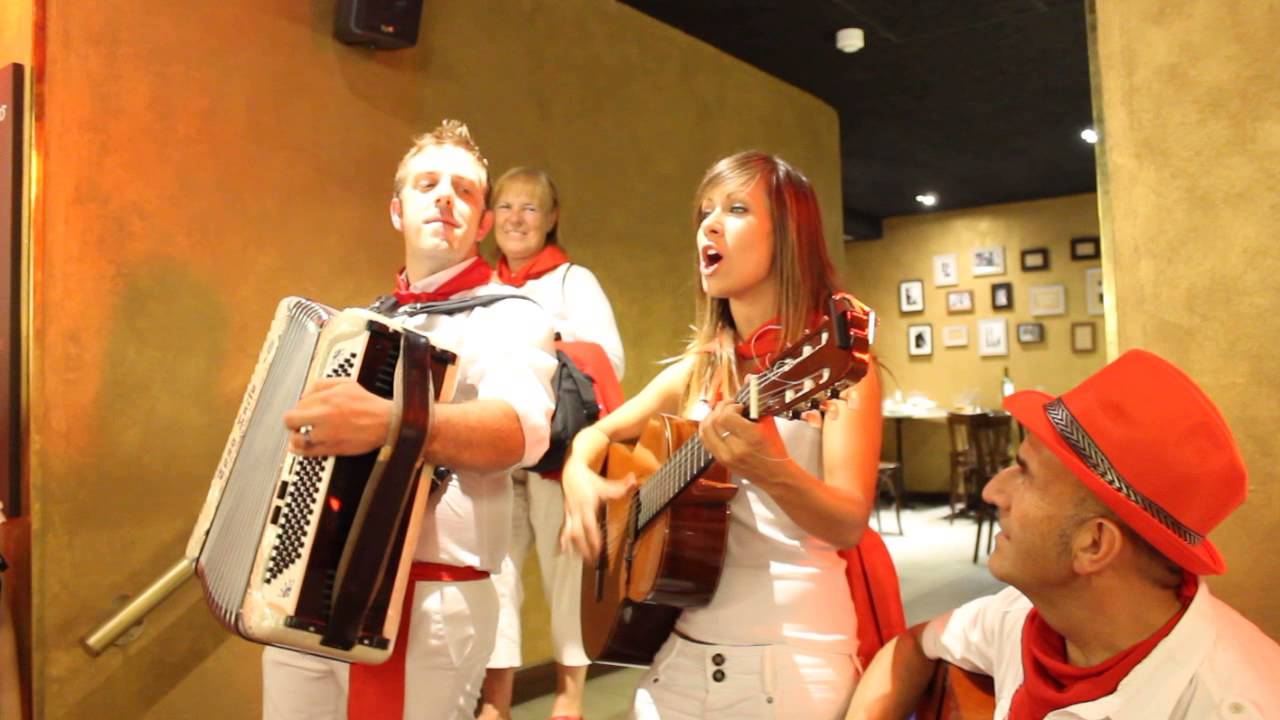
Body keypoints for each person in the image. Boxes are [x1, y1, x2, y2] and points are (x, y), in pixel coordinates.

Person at [560, 151, 883, 720]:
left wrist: (772, 468)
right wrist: (577, 478)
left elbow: (849, 522)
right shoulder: (702, 366)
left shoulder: (834, 367)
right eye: (705, 211)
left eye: (735, 209)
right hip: (679, 655)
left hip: (790, 661)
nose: (708, 225)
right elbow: (595, 437)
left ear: (790, 237)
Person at [262, 120, 557, 720]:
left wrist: (392, 425)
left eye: (465, 190)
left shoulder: (510, 315)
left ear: (483, 224)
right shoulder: (363, 324)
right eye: (427, 184)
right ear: (398, 210)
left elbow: (520, 434)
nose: (444, 196)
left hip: (424, 597)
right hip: (309, 584)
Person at [846, 349, 1280, 720]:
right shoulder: (1022, 618)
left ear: (1093, 544)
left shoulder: (1230, 702)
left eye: (1026, 474)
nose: (992, 491)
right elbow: (911, 647)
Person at [478, 167, 625, 720]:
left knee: (566, 575)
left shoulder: (572, 281)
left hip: (556, 454)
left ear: (552, 217)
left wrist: (547, 346)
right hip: (495, 454)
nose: (516, 219)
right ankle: (496, 703)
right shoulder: (482, 287)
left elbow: (609, 362)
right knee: (494, 576)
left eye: (530, 208)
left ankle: (570, 699)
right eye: (507, 207)